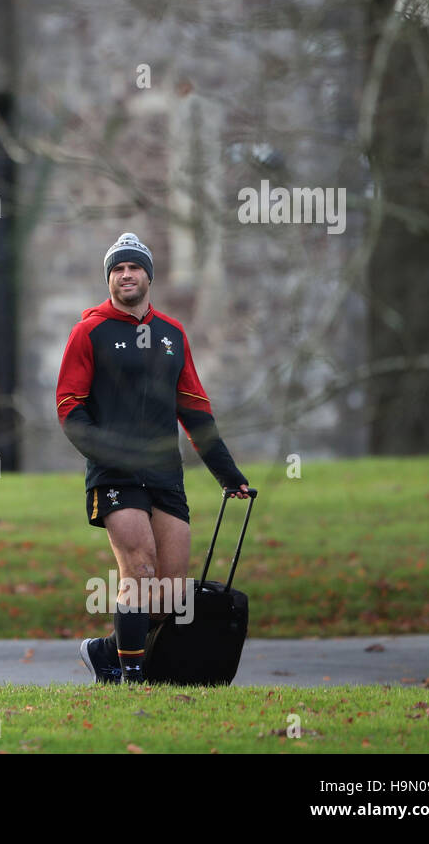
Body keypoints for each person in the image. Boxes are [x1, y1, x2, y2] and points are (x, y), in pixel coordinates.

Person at [55, 232, 250, 684]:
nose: (126, 275)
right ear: (109, 279)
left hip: (165, 475)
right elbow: (69, 405)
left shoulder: (172, 334)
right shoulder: (90, 332)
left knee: (169, 596)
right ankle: (134, 678)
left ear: (148, 276)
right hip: (114, 475)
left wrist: (227, 473)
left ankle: (104, 651)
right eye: (118, 269)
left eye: (134, 267)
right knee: (138, 569)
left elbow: (195, 410)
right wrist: (106, 452)